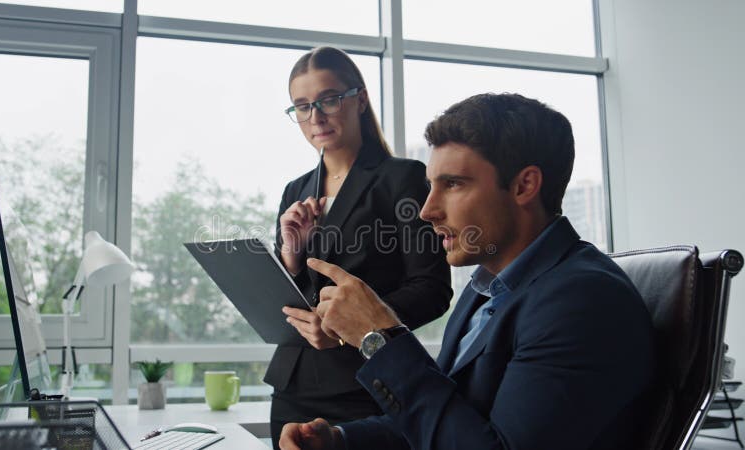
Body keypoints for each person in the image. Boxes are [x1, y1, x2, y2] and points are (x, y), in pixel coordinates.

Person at [279, 93, 656, 450]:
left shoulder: (582, 301)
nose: (427, 210)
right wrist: (341, 440)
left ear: (525, 185)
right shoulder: (485, 290)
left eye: (453, 185)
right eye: (431, 186)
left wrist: (378, 338)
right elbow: (440, 421)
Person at [267, 46, 453, 448]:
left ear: (360, 99)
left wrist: (348, 327)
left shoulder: (401, 179)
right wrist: (291, 254)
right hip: (292, 387)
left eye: (328, 99)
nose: (315, 116)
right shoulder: (295, 191)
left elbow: (432, 289)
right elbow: (287, 296)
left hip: (363, 387)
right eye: (302, 106)